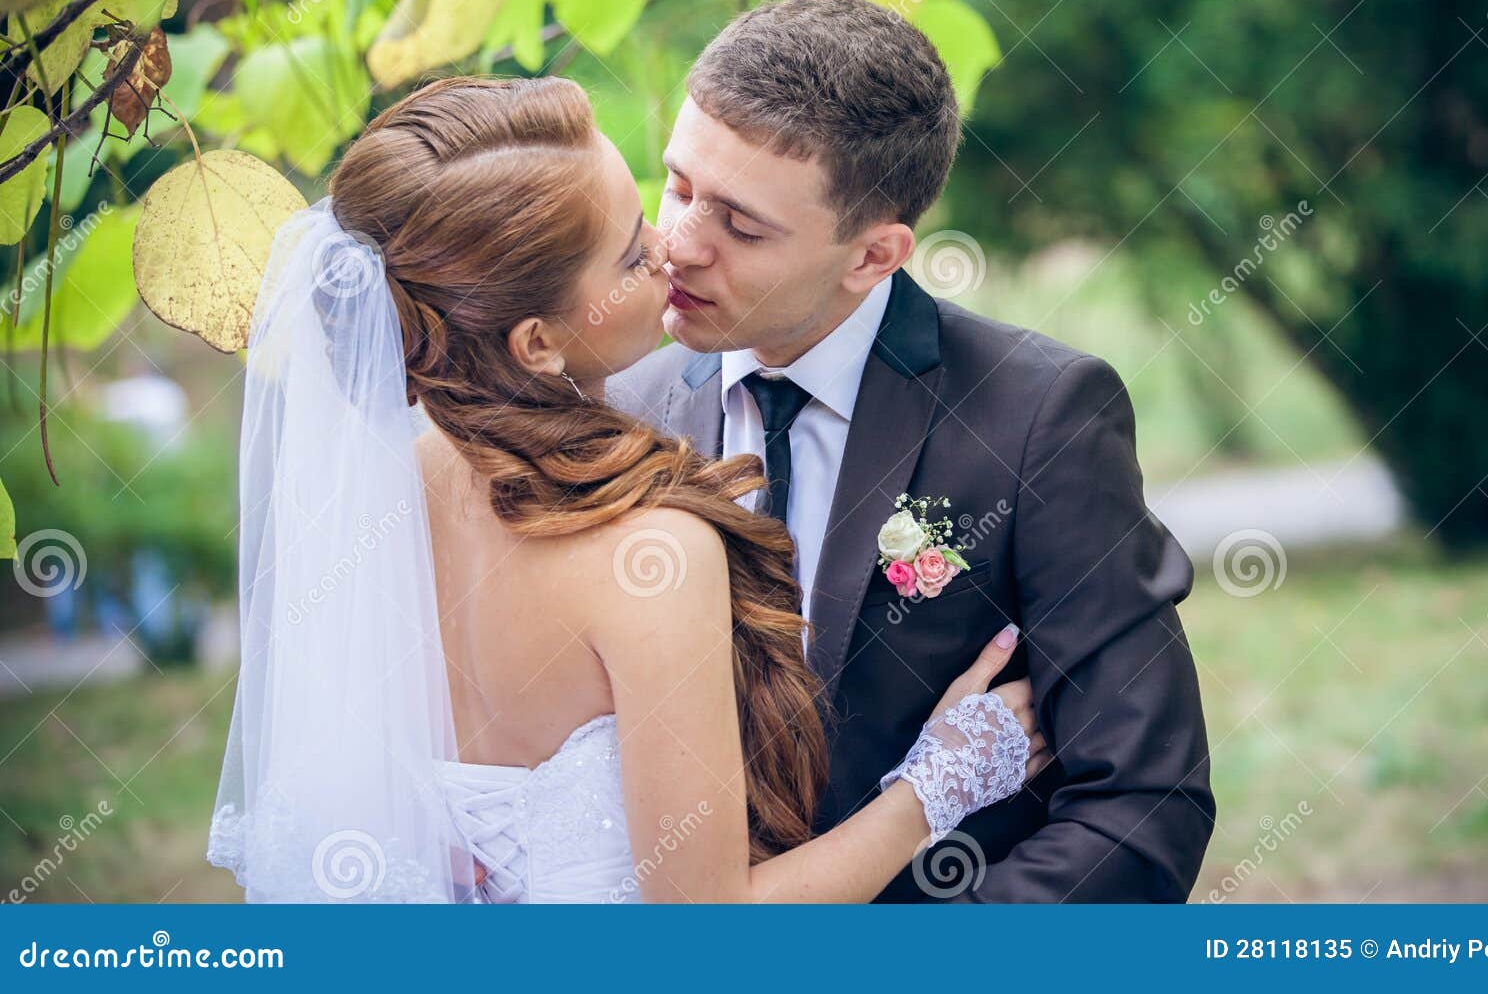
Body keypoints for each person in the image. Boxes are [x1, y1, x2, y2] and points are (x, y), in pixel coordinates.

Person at [208, 74, 1046, 903]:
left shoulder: (376, 494)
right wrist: (934, 788)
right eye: (630, 252)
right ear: (537, 343)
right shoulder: (654, 556)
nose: (671, 247)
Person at [610, 0, 1215, 902]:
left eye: (741, 224)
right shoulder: (619, 410)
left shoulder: (1040, 418)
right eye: (680, 186)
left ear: (874, 254)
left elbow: (1143, 801)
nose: (679, 246)